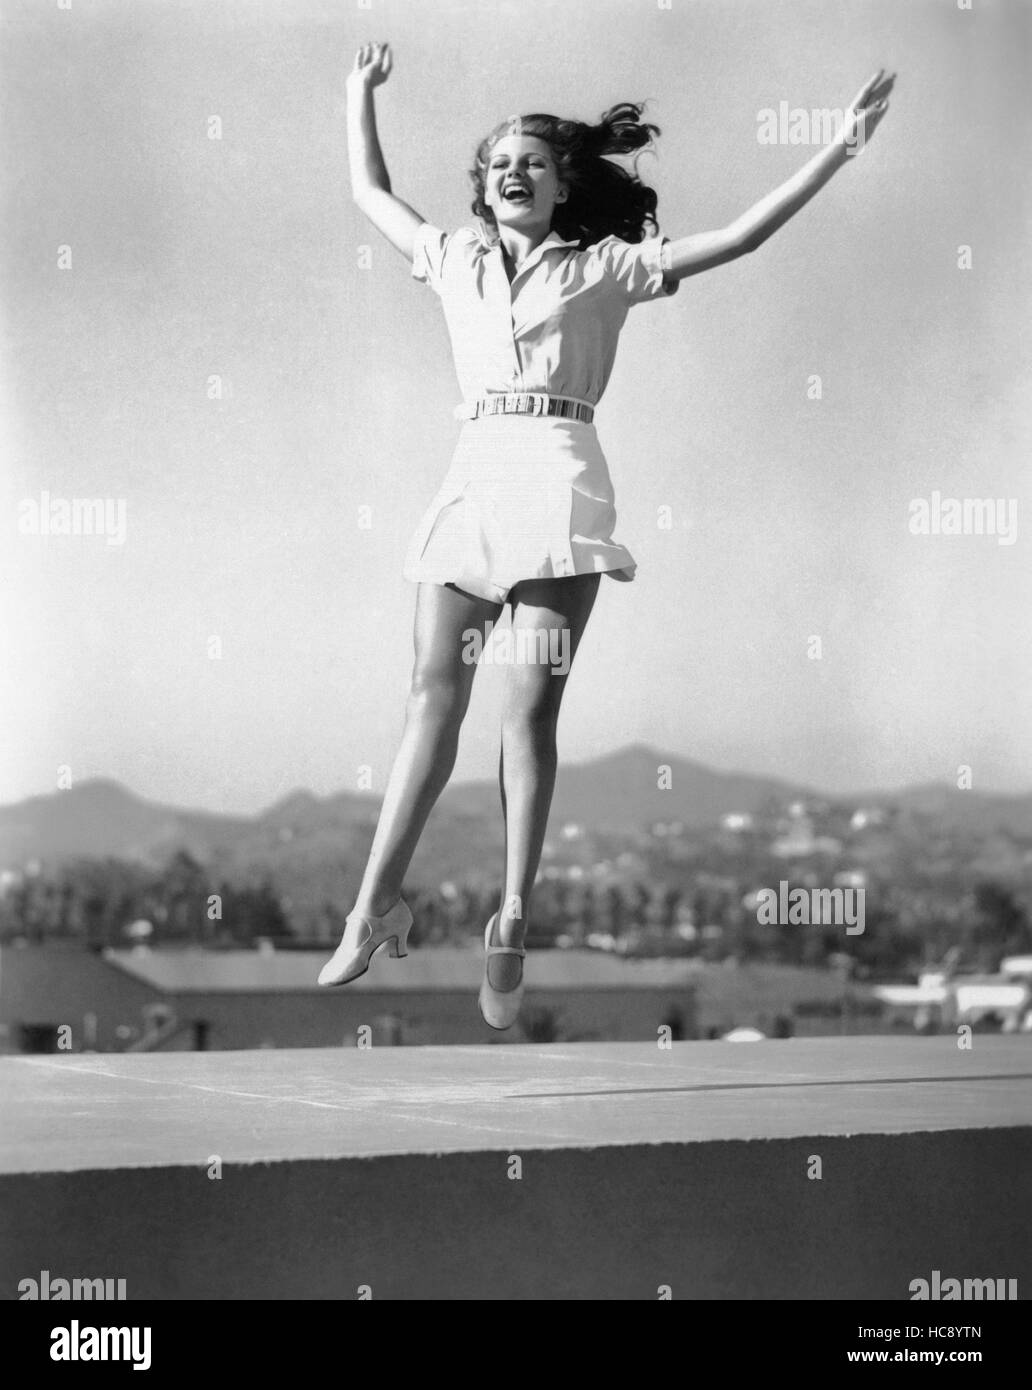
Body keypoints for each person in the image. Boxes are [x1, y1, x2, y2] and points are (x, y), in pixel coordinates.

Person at [318, 42, 894, 1030]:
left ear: (565, 180)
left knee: (526, 717)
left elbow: (742, 238)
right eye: (499, 158)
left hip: (560, 480)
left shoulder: (607, 267)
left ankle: (511, 918)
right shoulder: (451, 256)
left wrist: (837, 148)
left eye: (535, 159)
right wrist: (355, 96)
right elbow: (370, 188)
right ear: (483, 181)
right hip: (472, 475)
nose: (514, 169)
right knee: (428, 700)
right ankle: (374, 908)